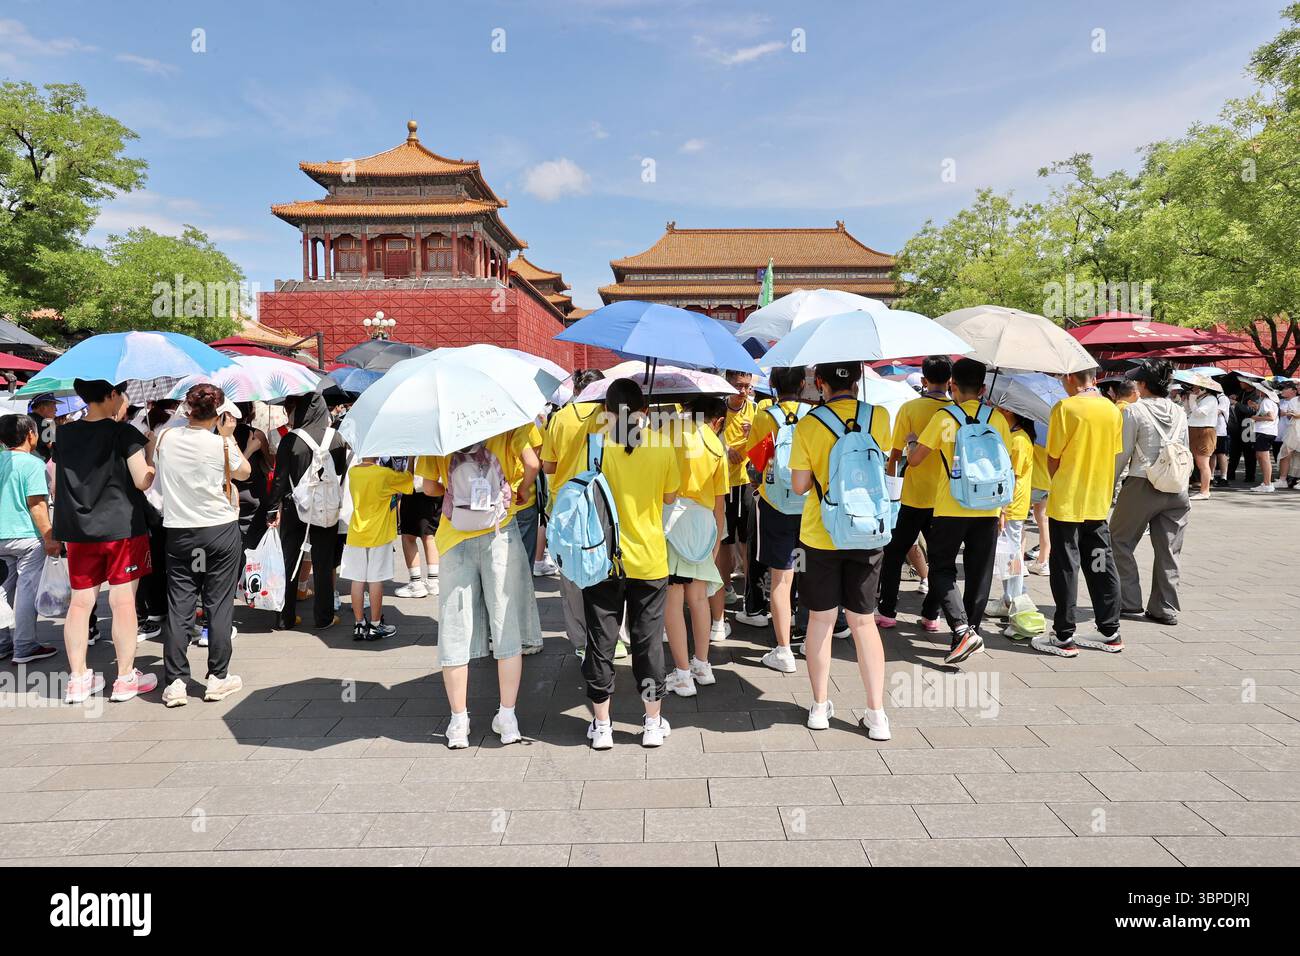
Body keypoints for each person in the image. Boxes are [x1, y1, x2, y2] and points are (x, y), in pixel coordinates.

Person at [418, 423, 542, 749]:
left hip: (454, 534)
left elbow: (429, 486)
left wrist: (452, 488)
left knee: (454, 626)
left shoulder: (439, 427)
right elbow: (532, 463)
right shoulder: (507, 421)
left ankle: (459, 722)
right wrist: (523, 489)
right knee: (505, 624)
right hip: (500, 530)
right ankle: (508, 717)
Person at [789, 360, 891, 740]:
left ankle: (818, 708)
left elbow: (799, 486)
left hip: (822, 534)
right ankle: (876, 714)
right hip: (869, 531)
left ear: (820, 383)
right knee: (864, 622)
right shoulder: (879, 417)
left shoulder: (809, 423)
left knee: (821, 620)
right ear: (859, 379)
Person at [580, 378, 679, 749]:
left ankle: (602, 724)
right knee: (647, 642)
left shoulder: (596, 446)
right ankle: (652, 722)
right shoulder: (662, 445)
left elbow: (581, 493)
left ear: (607, 412)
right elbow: (670, 495)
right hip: (649, 560)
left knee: (601, 641)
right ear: (644, 411)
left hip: (601, 559)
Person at [53, 379, 158, 703]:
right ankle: (125, 677)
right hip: (121, 529)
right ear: (111, 395)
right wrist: (150, 451)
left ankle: (78, 678)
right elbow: (142, 480)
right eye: (121, 395)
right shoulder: (123, 433)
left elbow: (58, 485)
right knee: (123, 602)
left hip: (80, 531)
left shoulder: (65, 434)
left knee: (81, 603)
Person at [908, 358, 1014, 664]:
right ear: (982, 388)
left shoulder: (945, 417)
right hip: (989, 507)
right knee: (980, 574)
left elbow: (915, 461)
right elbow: (1006, 465)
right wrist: (1004, 508)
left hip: (950, 506)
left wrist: (913, 443)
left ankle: (961, 628)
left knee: (942, 568)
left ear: (952, 384)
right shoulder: (996, 419)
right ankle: (972, 630)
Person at [152, 385, 249, 706]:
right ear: (219, 412)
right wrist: (228, 435)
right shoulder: (220, 443)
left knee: (180, 605)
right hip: (219, 531)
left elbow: (156, 454)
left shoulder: (166, 439)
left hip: (180, 532)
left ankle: (176, 682)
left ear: (187, 408)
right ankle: (218, 677)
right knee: (218, 603)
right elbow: (244, 472)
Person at [1033, 365, 1124, 657]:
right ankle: (1110, 630)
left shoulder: (1065, 408)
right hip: (1097, 498)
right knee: (1100, 562)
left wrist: (1056, 479)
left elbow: (1053, 457)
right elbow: (1113, 451)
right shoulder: (1112, 410)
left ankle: (1063, 634)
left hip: (1068, 499)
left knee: (1066, 565)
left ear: (1070, 377)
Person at [1110, 360, 1191, 626]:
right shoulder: (1180, 411)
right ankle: (1164, 607)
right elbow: (1184, 449)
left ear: (1143, 384)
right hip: (1176, 486)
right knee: (1169, 548)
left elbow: (1122, 453)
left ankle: (1129, 600)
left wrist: (1110, 485)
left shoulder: (1133, 411)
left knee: (1119, 540)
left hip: (1141, 483)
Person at [741, 366, 810, 673]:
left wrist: (759, 485)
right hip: (810, 507)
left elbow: (756, 463)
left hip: (776, 506)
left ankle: (783, 650)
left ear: (772, 385)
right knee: (807, 569)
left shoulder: (765, 416)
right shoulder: (815, 415)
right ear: (805, 383)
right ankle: (809, 634)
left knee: (781, 577)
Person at [877, 354, 950, 632]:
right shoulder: (955, 411)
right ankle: (932, 615)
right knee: (941, 559)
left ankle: (887, 611)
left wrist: (890, 486)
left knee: (895, 553)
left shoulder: (910, 408)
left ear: (924, 380)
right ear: (949, 381)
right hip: (944, 499)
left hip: (912, 496)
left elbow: (895, 455)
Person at [663, 395, 727, 696]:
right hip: (704, 523)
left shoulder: (670, 434)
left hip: (674, 519)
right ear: (716, 419)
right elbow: (719, 502)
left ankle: (682, 675)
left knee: (673, 600)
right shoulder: (716, 445)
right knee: (699, 598)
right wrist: (716, 538)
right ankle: (703, 664)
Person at [540, 369, 605, 657]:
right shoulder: (609, 416)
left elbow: (548, 466)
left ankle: (580, 641)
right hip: (601, 502)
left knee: (570, 575)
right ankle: (608, 635)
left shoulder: (559, 419)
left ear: (577, 390)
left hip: (566, 505)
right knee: (604, 569)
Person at [267, 391, 347, 628]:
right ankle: (324, 617)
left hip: (294, 506)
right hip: (326, 505)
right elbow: (340, 472)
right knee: (323, 561)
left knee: (290, 558)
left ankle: (285, 617)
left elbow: (280, 480)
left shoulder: (290, 440)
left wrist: (272, 509)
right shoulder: (336, 438)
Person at [0, 414, 60, 664]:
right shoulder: (32, 464)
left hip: (2, 537)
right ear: (30, 435)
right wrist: (50, 538)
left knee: (2, 590)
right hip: (26, 537)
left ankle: (2, 643)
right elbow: (37, 505)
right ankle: (24, 645)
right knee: (26, 590)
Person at [341, 456, 415, 640]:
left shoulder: (354, 472)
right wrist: (412, 459)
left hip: (357, 533)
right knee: (376, 579)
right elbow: (409, 481)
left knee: (357, 580)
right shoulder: (384, 474)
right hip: (379, 533)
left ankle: (359, 623)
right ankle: (375, 624)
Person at [711, 369, 756, 642]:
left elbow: (767, 443)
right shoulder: (718, 409)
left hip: (747, 483)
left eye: (747, 386)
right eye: (738, 386)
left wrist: (756, 435)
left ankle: (751, 592)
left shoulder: (757, 410)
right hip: (721, 485)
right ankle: (726, 587)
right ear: (728, 384)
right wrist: (725, 448)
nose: (743, 391)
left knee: (748, 540)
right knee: (724, 541)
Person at [994, 409, 1036, 618]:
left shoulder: (1019, 439)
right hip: (1010, 505)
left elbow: (1013, 477)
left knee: (1010, 553)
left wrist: (1002, 509)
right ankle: (1010, 597)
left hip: (1011, 506)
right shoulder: (1013, 435)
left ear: (1010, 411)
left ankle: (1015, 598)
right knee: (1006, 553)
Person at [394, 482, 440, 599]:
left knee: (408, 536)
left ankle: (416, 583)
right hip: (437, 485)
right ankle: (433, 581)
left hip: (417, 487)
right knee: (429, 535)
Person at [1183, 384, 1219, 500]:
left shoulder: (1211, 399)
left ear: (1204, 388)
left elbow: (1199, 413)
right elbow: (1188, 411)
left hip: (1204, 430)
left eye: (1195, 387)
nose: (1193, 389)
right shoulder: (1200, 398)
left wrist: (1193, 400)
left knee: (1203, 463)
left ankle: (1205, 491)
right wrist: (1188, 400)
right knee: (1192, 460)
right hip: (1193, 429)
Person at [1245, 383, 1278, 493]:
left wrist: (1256, 417)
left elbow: (1271, 417)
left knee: (1263, 458)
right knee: (1262, 457)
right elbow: (1268, 414)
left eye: (1259, 390)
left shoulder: (1267, 401)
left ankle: (1267, 483)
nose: (1258, 392)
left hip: (1264, 431)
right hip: (1267, 431)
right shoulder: (1268, 401)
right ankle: (1266, 483)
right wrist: (1256, 408)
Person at [1277, 381, 1300, 489]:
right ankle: (1282, 480)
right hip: (1292, 429)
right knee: (1285, 453)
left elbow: (1294, 414)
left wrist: (1296, 414)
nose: (1298, 387)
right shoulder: (1294, 400)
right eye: (1298, 386)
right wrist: (1292, 414)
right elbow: (1290, 416)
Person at [1213, 388, 1231, 487]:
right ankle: (1211, 476)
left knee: (1221, 453)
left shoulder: (1223, 398)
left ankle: (1224, 477)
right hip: (1211, 428)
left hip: (1220, 430)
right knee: (1211, 454)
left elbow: (1217, 412)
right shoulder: (1211, 397)